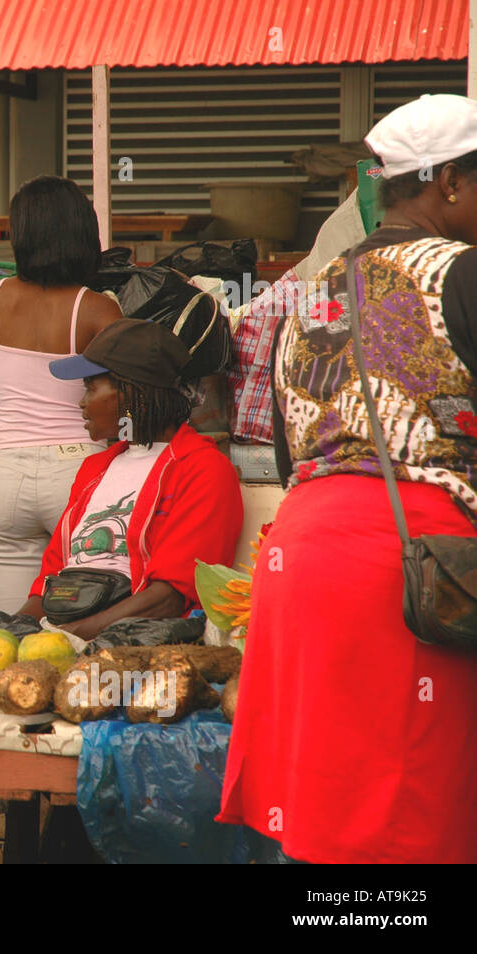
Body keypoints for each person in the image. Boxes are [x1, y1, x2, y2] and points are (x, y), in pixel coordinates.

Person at [219, 93, 477, 864]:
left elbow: (285, 449)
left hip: (302, 560)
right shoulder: (462, 273)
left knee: (327, 807)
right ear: (451, 185)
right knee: (417, 810)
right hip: (420, 566)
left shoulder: (309, 289)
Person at [16, 318, 242, 638]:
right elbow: (49, 584)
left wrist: (69, 639)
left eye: (91, 388)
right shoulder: (95, 469)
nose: (82, 403)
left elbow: (168, 598)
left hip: (135, 647)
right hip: (70, 633)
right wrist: (14, 631)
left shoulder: (203, 470)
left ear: (132, 393)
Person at [0, 176, 124, 611]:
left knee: (11, 630)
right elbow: (124, 397)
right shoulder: (98, 308)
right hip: (78, 475)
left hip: (7, 477)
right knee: (81, 622)